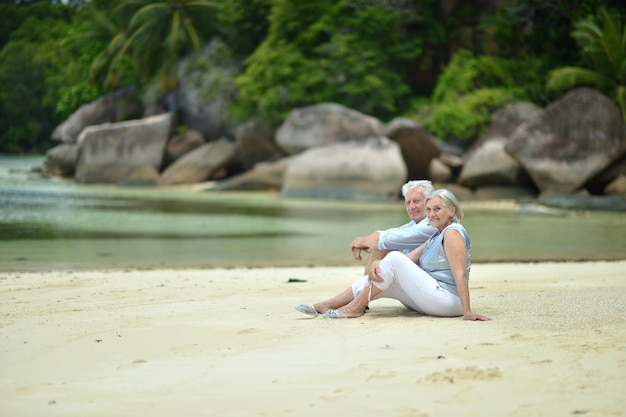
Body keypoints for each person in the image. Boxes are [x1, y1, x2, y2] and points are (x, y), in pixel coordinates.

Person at [295, 189, 491, 321]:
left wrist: (467, 311)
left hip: (449, 301)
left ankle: (354, 309)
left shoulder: (452, 233)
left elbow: (460, 274)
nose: (431, 214)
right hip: (433, 297)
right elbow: (408, 261)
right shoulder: (435, 234)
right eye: (429, 210)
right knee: (384, 274)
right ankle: (327, 305)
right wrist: (377, 265)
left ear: (452, 210)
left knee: (394, 258)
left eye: (438, 209)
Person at [350, 179, 437, 274]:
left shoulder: (431, 225)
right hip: (415, 278)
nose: (411, 207)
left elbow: (382, 240)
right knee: (382, 246)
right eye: (408, 202)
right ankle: (365, 287)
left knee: (382, 247)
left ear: (429, 202)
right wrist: (365, 241)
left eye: (416, 201)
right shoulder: (413, 224)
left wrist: (362, 242)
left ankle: (366, 287)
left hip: (429, 282)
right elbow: (390, 234)